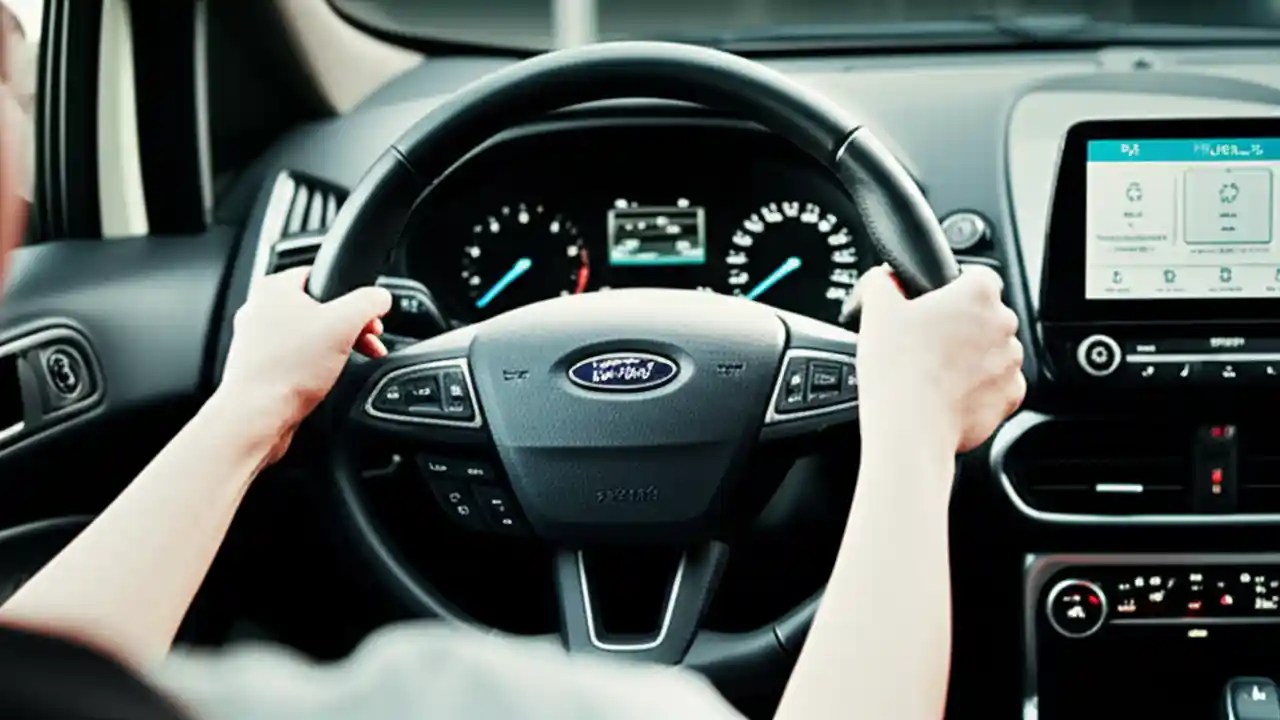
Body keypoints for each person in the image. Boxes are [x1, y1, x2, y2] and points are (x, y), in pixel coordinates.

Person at [0, 33, 1025, 720]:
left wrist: (254, 406)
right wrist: (910, 426)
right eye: (16, 63)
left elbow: (55, 660)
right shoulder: (463, 694)